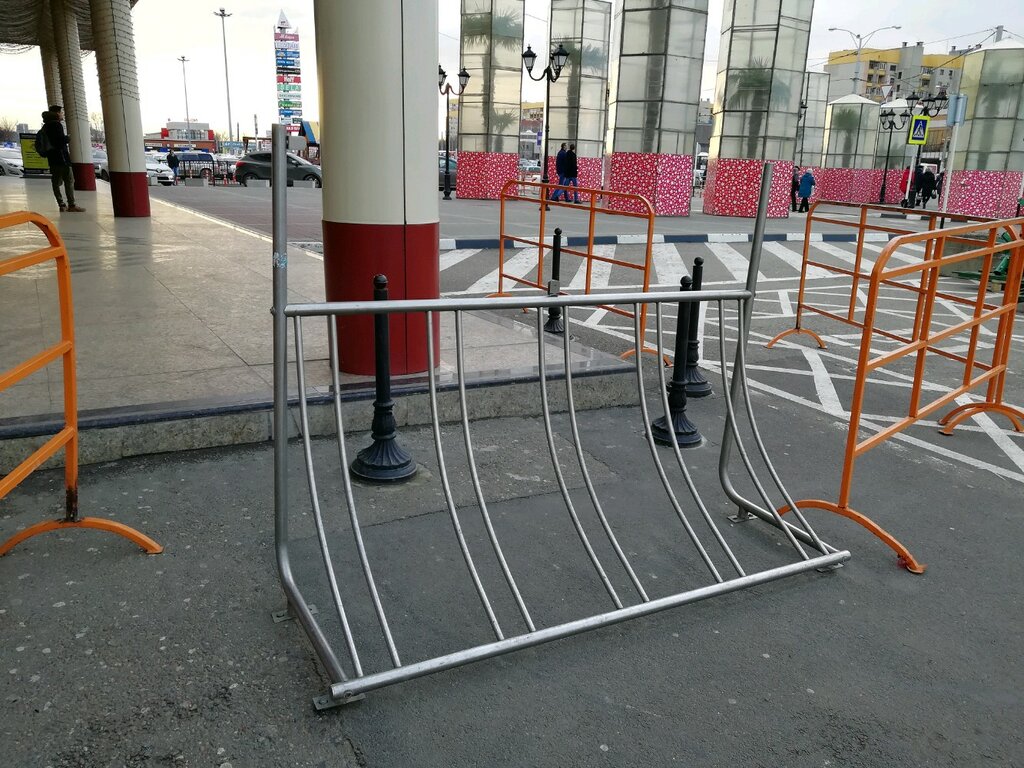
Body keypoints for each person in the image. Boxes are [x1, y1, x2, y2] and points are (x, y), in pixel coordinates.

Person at [41, 105, 84, 213]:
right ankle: (71, 205)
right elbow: (59, 142)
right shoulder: (57, 125)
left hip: (52, 159)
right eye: (61, 112)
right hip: (62, 159)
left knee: (56, 182)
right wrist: (67, 138)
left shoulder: (45, 126)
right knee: (69, 181)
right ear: (57, 113)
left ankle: (61, 204)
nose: (62, 114)